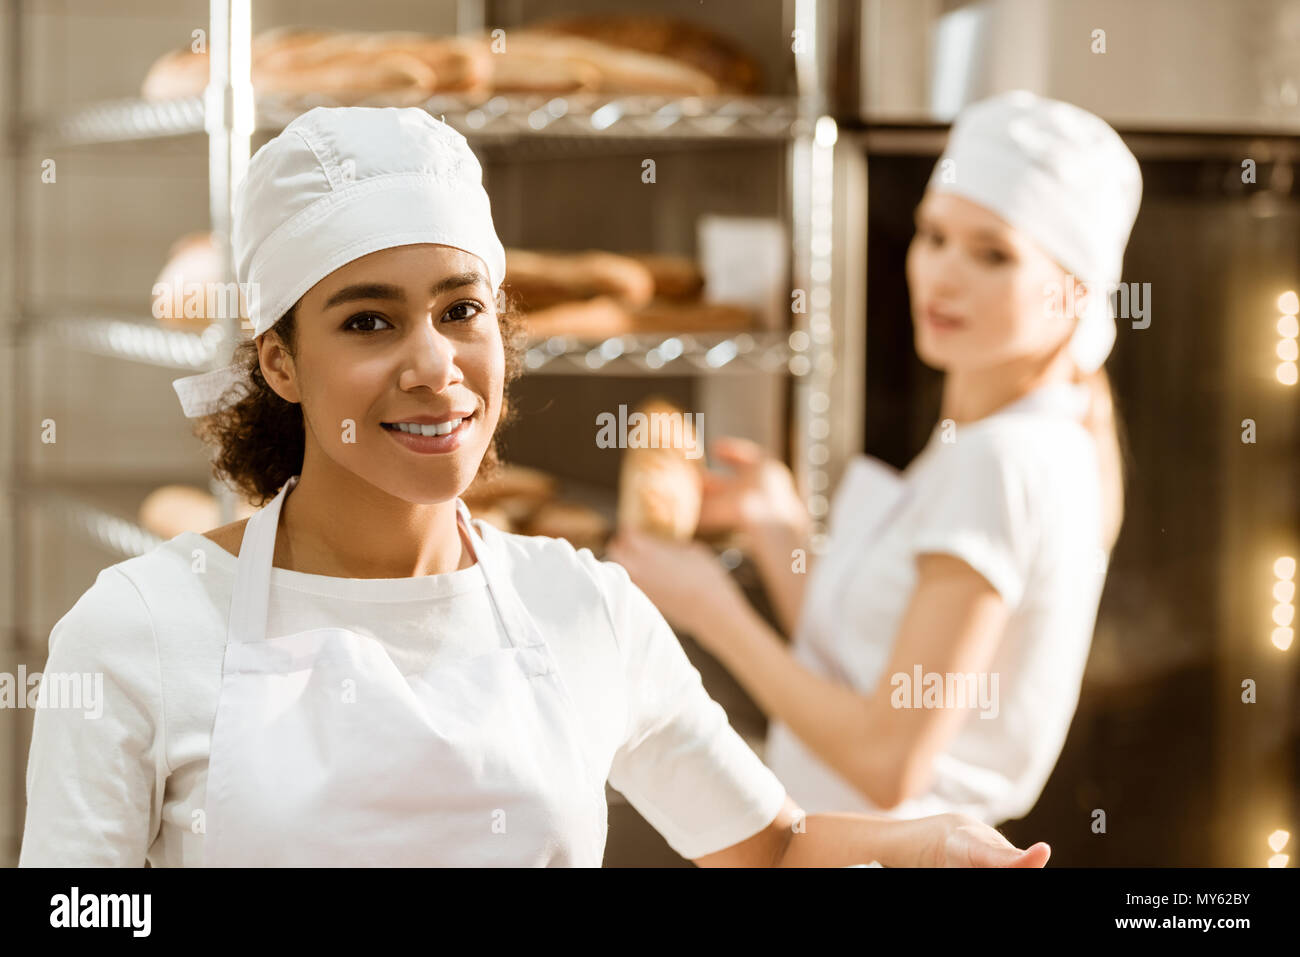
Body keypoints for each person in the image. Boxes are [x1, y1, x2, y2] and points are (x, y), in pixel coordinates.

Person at [18, 106, 1050, 867]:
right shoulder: (140, 630)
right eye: (368, 321)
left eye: (461, 309)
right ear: (281, 364)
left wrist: (923, 845)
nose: (434, 365)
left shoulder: (580, 605)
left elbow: (768, 847)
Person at [610, 90, 1141, 827]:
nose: (942, 275)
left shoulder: (1004, 461)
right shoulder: (1028, 440)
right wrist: (780, 535)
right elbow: (872, 676)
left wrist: (711, 610)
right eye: (934, 236)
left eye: (993, 253)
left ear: (1074, 292)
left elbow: (888, 761)